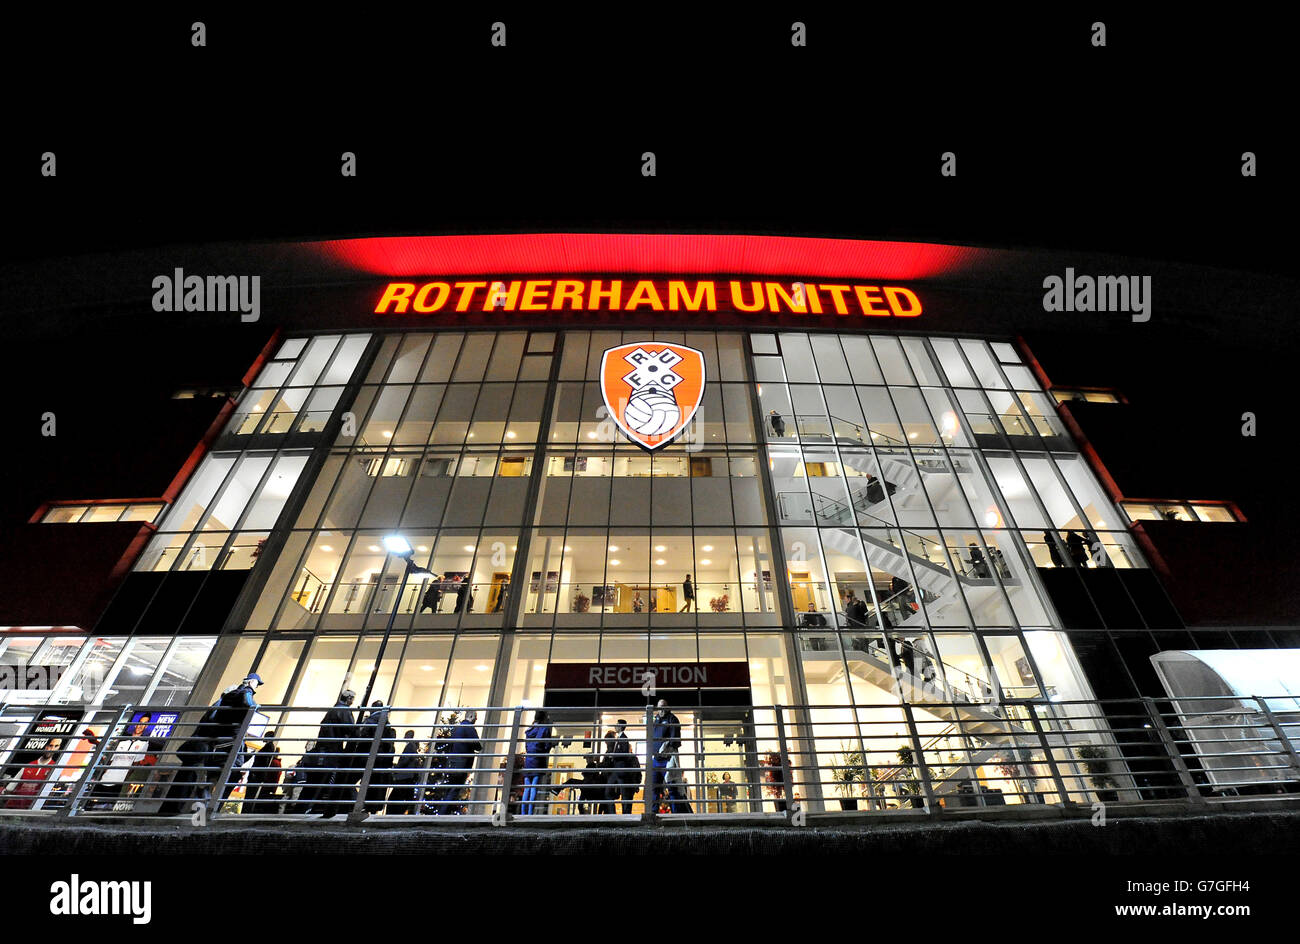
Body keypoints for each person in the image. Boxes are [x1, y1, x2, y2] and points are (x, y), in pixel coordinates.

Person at [163, 673, 262, 813]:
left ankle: (179, 812)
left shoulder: (217, 708)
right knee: (198, 782)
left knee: (191, 782)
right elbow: (248, 704)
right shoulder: (225, 707)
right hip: (204, 749)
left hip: (201, 748)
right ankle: (193, 813)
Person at [313, 689, 357, 818]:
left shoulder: (333, 710)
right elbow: (350, 730)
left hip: (324, 748)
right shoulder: (344, 711)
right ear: (349, 699)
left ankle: (310, 807)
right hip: (333, 749)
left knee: (320, 782)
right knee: (333, 780)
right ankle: (328, 809)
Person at [93, 714, 151, 810]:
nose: (141, 726)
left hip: (119, 780)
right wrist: (104, 771)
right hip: (105, 778)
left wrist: (126, 778)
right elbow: (110, 759)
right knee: (94, 803)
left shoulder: (143, 744)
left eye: (144, 724)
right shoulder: (122, 742)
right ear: (136, 724)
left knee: (108, 807)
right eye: (140, 723)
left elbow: (136, 763)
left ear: (146, 726)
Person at [434, 710, 482, 814]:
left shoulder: (457, 728)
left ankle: (442, 811)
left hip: (453, 762)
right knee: (455, 789)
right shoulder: (469, 728)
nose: (476, 719)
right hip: (462, 762)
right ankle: (444, 813)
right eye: (475, 717)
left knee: (450, 788)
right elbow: (477, 745)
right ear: (471, 716)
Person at [650, 699, 691, 813]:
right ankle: (653, 813)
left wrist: (667, 745)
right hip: (656, 759)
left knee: (672, 789)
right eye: (659, 707)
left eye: (663, 706)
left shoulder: (672, 719)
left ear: (667, 707)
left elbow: (675, 740)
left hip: (667, 760)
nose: (661, 709)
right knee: (654, 787)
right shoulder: (656, 720)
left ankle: (676, 815)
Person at [357, 701, 396, 814]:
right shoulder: (384, 722)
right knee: (373, 783)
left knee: (361, 781)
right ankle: (369, 806)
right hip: (378, 759)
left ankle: (361, 805)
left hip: (368, 756)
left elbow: (363, 735)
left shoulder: (373, 720)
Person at [521, 710, 556, 815]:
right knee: (534, 786)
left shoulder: (529, 730)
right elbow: (547, 745)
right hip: (538, 759)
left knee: (527, 787)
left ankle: (523, 812)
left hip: (528, 759)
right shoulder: (544, 729)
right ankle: (530, 812)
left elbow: (526, 746)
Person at [604, 719, 641, 814]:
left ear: (620, 727)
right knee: (609, 792)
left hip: (620, 770)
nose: (615, 727)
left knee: (624, 794)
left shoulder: (624, 739)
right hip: (616, 770)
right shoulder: (619, 739)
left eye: (616, 725)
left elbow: (624, 753)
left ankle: (624, 815)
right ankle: (613, 814)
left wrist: (614, 755)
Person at [386, 731, 426, 815]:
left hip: (404, 776)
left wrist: (395, 769)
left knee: (396, 796)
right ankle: (398, 812)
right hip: (408, 776)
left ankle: (393, 813)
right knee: (405, 796)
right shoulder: (413, 746)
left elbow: (405, 760)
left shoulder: (410, 746)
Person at [245, 729, 283, 812]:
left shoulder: (269, 747)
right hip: (257, 775)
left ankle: (246, 811)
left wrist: (256, 773)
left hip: (256, 775)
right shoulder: (269, 747)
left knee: (250, 796)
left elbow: (264, 761)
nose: (263, 738)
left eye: (266, 736)